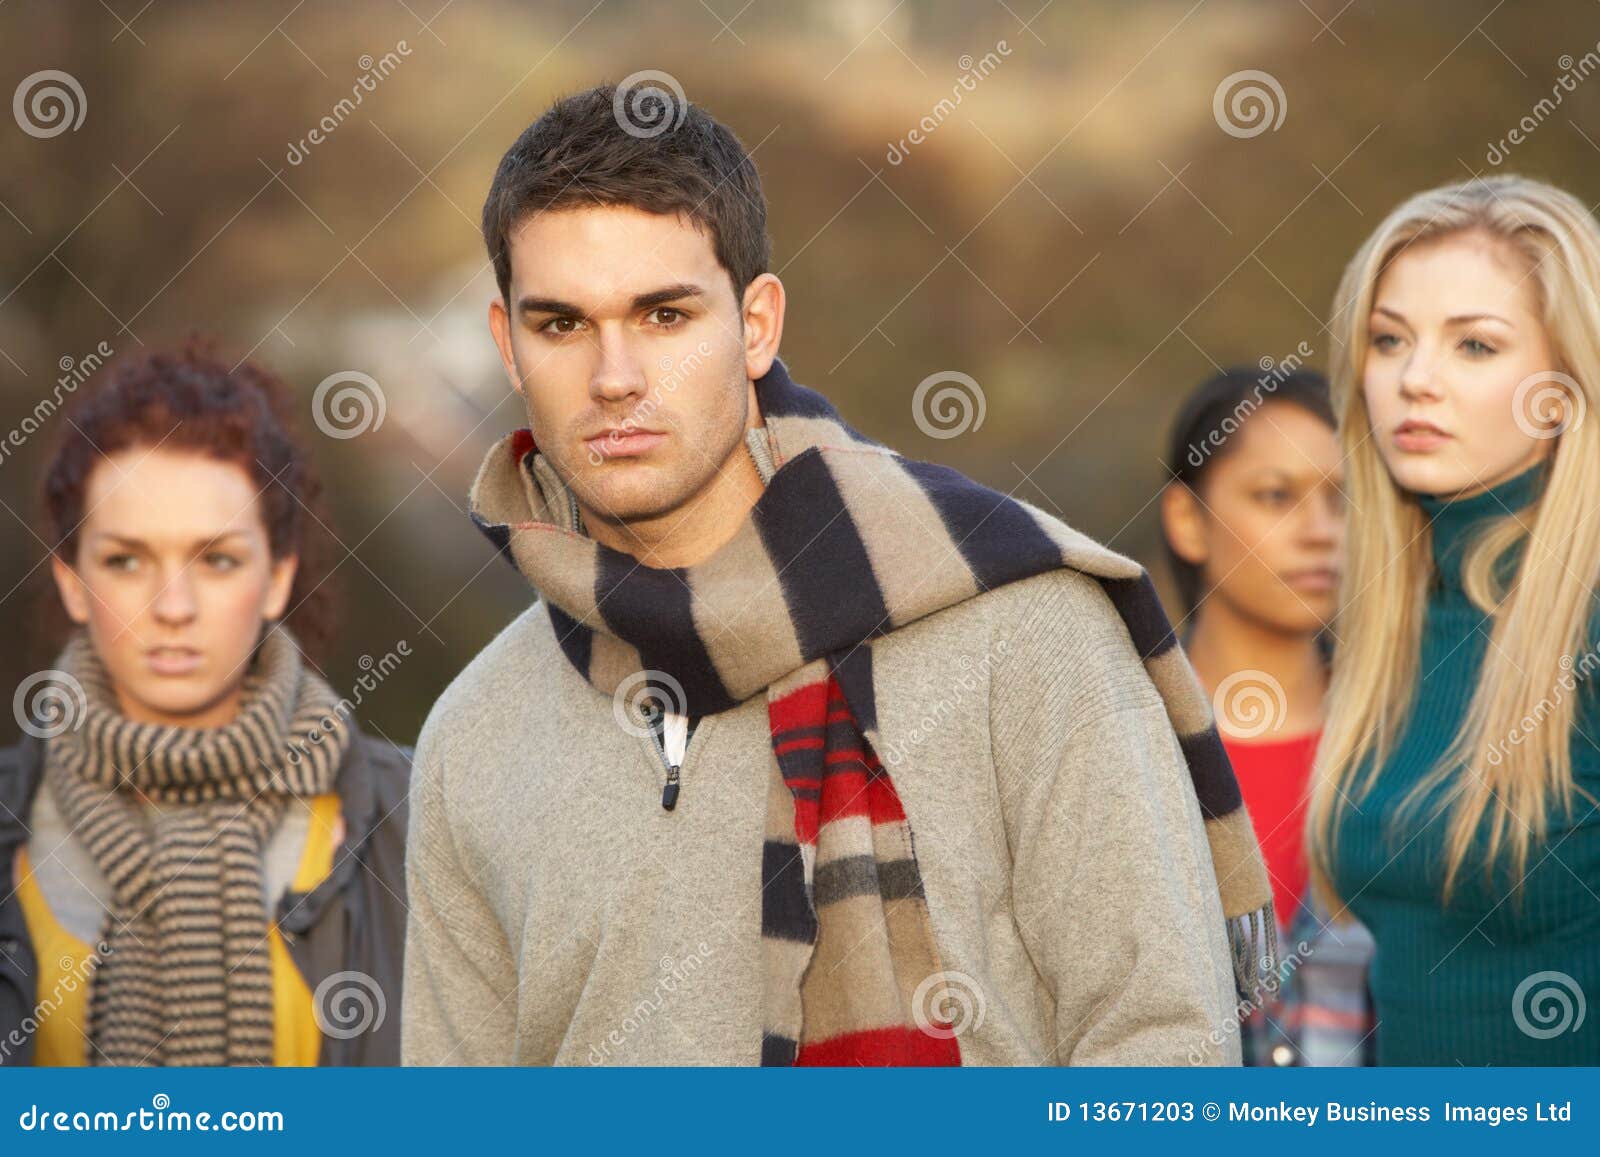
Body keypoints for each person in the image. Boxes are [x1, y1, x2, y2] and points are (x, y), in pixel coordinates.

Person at [401, 82, 1274, 1067]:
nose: (614, 377)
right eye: (560, 324)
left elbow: (1162, 1048)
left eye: (663, 314)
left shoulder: (1024, 623)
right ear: (506, 345)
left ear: (757, 323)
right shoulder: (474, 737)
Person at [0, 342, 410, 1067]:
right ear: (71, 579)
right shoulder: (14, 820)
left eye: (217, 560)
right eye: (126, 559)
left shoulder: (414, 820)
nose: (173, 606)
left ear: (278, 576)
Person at [1306, 174, 1600, 1064]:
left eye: (1475, 345)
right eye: (1389, 340)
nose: (1415, 379)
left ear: (1566, 380)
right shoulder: (1389, 618)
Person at [1161, 366, 1375, 1066]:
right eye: (1277, 495)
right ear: (1189, 520)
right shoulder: (1116, 746)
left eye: (1343, 500)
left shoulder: (1412, 739)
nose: (1320, 532)